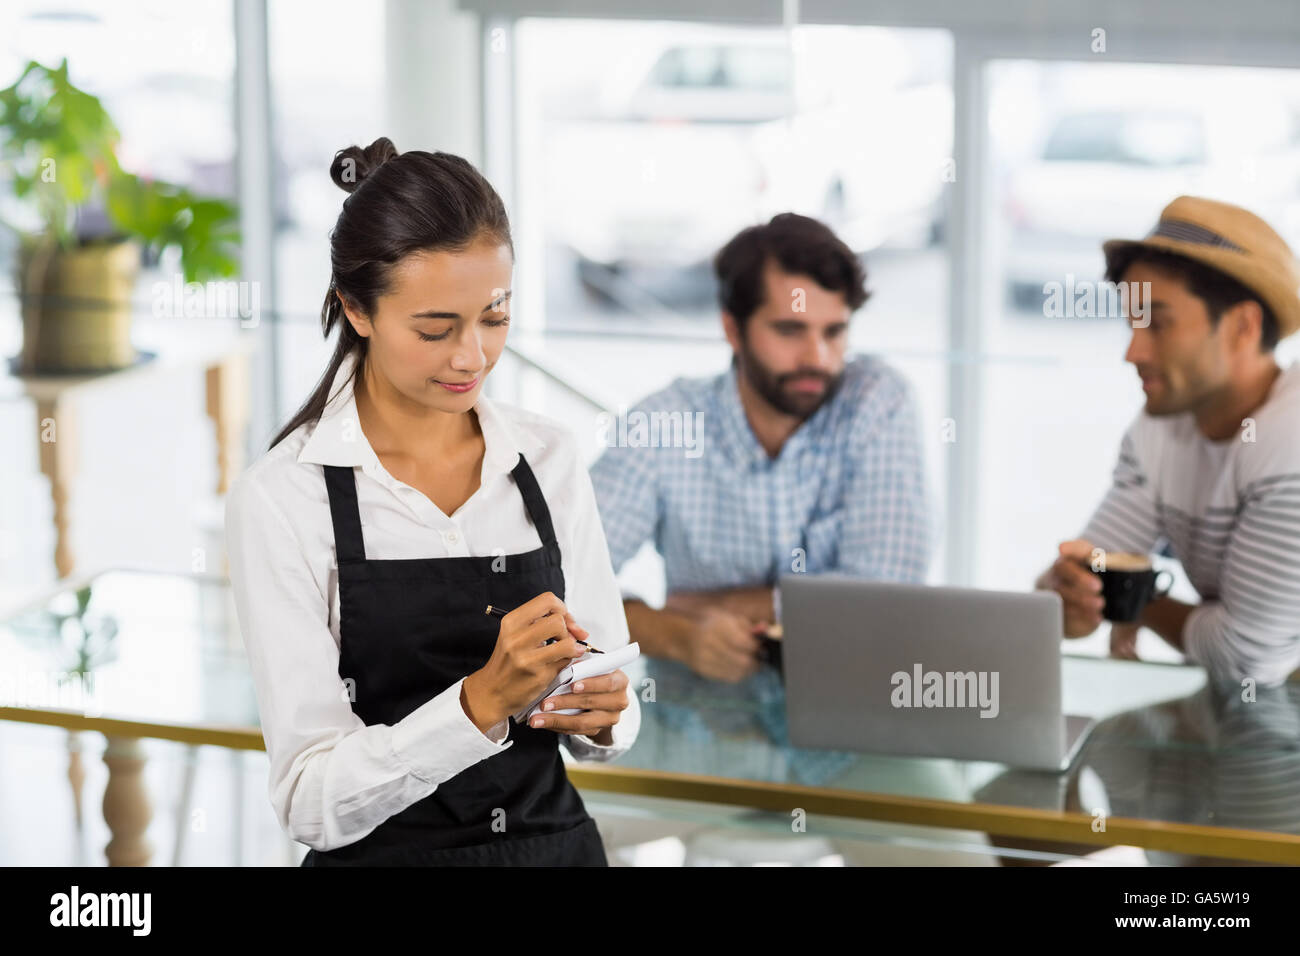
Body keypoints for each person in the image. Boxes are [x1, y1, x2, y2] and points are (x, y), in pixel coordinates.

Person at [224, 137, 638, 866]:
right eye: (435, 328)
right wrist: (479, 702)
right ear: (357, 309)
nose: (471, 355)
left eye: (495, 316)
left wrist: (603, 717)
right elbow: (310, 802)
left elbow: (609, 702)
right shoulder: (283, 498)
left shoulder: (548, 458)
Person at [589, 212, 934, 683]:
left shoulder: (878, 401)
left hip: (852, 708)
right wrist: (674, 633)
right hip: (703, 721)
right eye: (790, 330)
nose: (818, 357)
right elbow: (564, 581)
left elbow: (890, 598)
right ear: (733, 329)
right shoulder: (664, 423)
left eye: (834, 331)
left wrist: (711, 606)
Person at [1038, 196, 1300, 687]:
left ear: (1243, 326)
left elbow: (1246, 663)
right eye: (1131, 322)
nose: (1132, 351)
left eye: (1158, 323)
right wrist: (1065, 593)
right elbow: (1090, 566)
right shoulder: (1160, 427)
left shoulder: (1291, 442)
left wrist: (1138, 599)